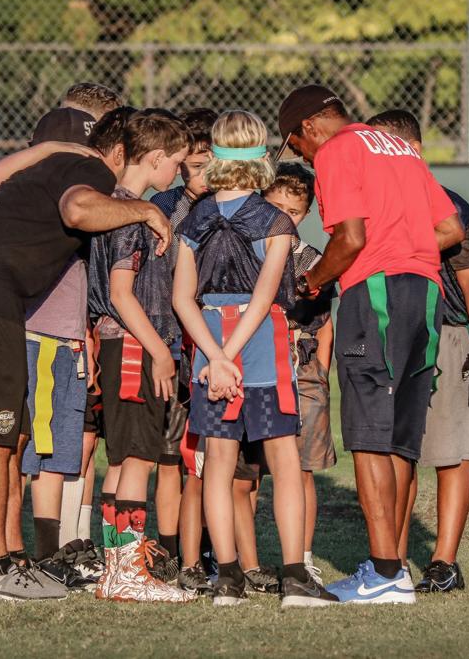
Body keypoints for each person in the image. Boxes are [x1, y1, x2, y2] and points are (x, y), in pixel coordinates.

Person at [0, 105, 171, 601]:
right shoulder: (90, 170)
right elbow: (78, 210)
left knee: (10, 433)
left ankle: (13, 560)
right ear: (121, 152)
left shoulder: (58, 166)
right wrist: (145, 210)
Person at [277, 85, 463, 605]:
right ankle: (395, 564)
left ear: (310, 127)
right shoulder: (397, 144)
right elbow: (449, 227)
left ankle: (384, 574)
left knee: (366, 434)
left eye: (296, 145)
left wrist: (312, 281)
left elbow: (351, 239)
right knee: (401, 436)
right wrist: (408, 248)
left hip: (376, 291)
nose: (302, 157)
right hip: (427, 291)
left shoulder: (336, 149)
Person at [173, 109, 338, 608]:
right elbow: (266, 298)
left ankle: (227, 577)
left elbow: (183, 298)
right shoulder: (276, 220)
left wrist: (216, 356)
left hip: (208, 342)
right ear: (260, 155)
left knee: (217, 465)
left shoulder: (194, 216)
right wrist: (233, 355)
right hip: (259, 342)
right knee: (284, 461)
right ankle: (294, 578)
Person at [368, 109, 469, 593]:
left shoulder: (447, 205)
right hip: (393, 330)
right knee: (397, 448)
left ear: (412, 150)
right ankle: (393, 558)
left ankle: (444, 561)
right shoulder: (377, 202)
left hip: (444, 332)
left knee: (448, 448)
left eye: (383, 146)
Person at [86, 108, 196, 603]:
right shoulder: (132, 215)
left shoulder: (105, 204)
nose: (177, 171)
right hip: (134, 347)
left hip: (113, 345)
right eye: (175, 162)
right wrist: (160, 351)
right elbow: (122, 293)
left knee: (121, 460)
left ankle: (117, 565)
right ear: (154, 159)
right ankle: (127, 570)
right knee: (138, 460)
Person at [149, 107, 218, 586]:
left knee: (220, 456)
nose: (202, 174)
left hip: (222, 343)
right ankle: (172, 551)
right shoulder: (167, 207)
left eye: (210, 162)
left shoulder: (239, 204)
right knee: (172, 455)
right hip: (176, 344)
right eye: (192, 164)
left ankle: (214, 550)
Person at [263, 162, 336, 586]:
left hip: (301, 365)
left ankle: (303, 558)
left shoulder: (313, 260)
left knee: (302, 468)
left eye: (293, 211)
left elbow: (324, 322)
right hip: (261, 363)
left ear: (305, 214)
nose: (284, 217)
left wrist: (320, 371)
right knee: (252, 470)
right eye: (275, 206)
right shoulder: (250, 251)